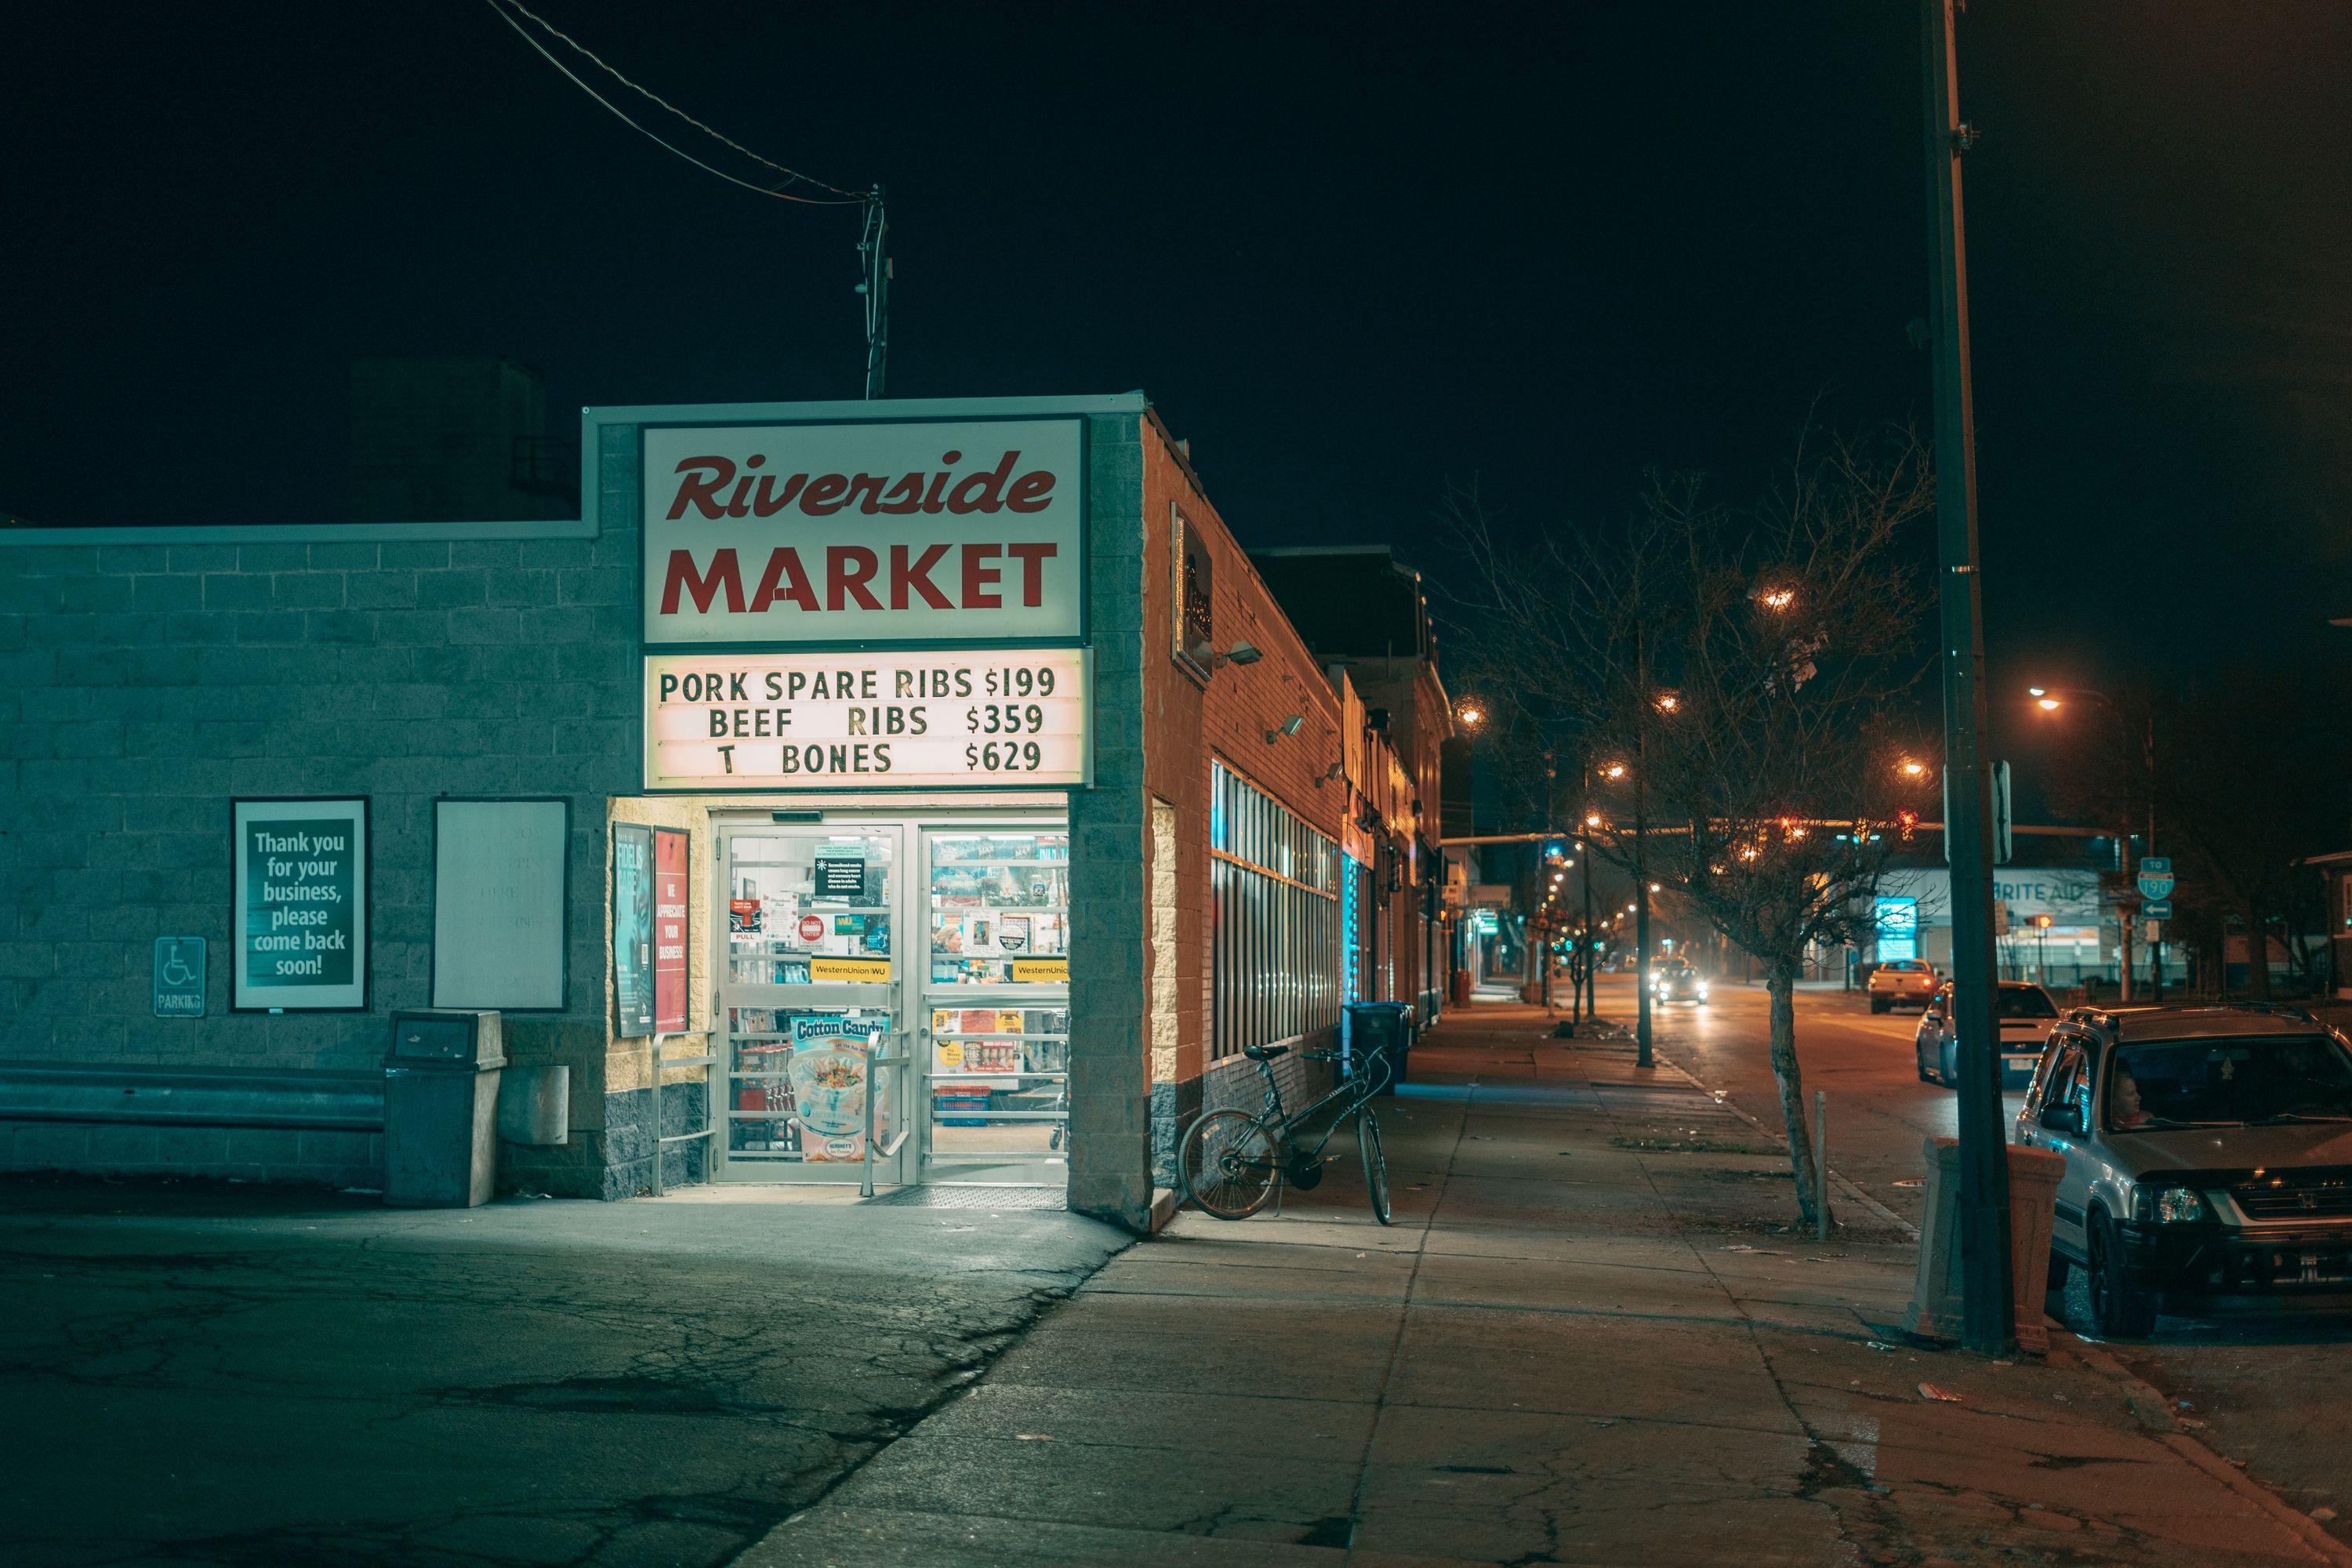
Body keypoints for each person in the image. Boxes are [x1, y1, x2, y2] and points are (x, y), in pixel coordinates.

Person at [2109, 1058, 2155, 1130]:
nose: (2139, 1097)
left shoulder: (2148, 1119)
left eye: (2136, 1092)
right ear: (2114, 1101)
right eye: (2131, 1094)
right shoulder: (2106, 1126)